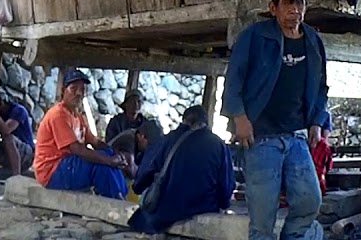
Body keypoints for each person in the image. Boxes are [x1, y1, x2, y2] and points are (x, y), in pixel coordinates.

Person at [223, 0, 329, 240]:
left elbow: (321, 88)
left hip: (296, 137)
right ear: (273, 8)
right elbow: (234, 78)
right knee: (263, 218)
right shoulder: (254, 37)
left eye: (300, 3)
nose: (295, 9)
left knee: (309, 201)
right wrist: (240, 118)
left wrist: (317, 121)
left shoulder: (313, 41)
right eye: (287, 2)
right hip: (260, 138)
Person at [128, 105, 235, 235]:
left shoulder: (168, 139)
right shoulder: (219, 145)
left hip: (165, 213)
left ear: (184, 121)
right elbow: (226, 189)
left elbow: (142, 179)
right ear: (206, 123)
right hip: (205, 208)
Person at [33, 68, 127, 198]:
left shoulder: (78, 117)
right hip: (52, 170)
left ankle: (123, 196)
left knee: (108, 155)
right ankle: (116, 202)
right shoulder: (58, 115)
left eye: (82, 90)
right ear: (63, 91)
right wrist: (109, 160)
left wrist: (116, 154)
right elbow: (77, 149)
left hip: (68, 164)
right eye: (73, 88)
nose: (78, 93)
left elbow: (95, 142)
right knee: (101, 166)